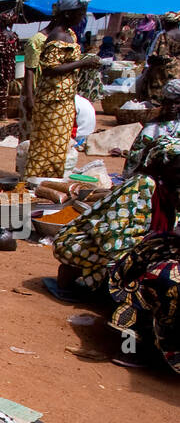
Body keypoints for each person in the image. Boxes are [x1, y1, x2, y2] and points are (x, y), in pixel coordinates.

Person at [52, 83, 180, 296]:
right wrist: (138, 258)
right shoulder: (144, 187)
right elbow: (110, 235)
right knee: (138, 262)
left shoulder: (169, 191)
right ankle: (76, 273)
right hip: (87, 242)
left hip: (113, 240)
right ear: (163, 167)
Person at [106, 135, 180, 373]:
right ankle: (134, 340)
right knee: (142, 262)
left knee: (159, 277)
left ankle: (139, 345)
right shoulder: (147, 188)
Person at [25, 0, 101, 179]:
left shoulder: (69, 34)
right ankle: (38, 180)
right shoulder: (57, 35)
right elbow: (50, 68)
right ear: (67, 14)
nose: (82, 17)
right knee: (46, 143)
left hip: (64, 97)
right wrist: (82, 63)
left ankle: (50, 180)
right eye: (80, 13)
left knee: (58, 143)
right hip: (53, 98)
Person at [141, 12, 180, 104]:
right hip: (177, 71)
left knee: (157, 96)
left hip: (161, 72)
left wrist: (147, 66)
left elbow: (154, 54)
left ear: (167, 23)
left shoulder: (162, 35)